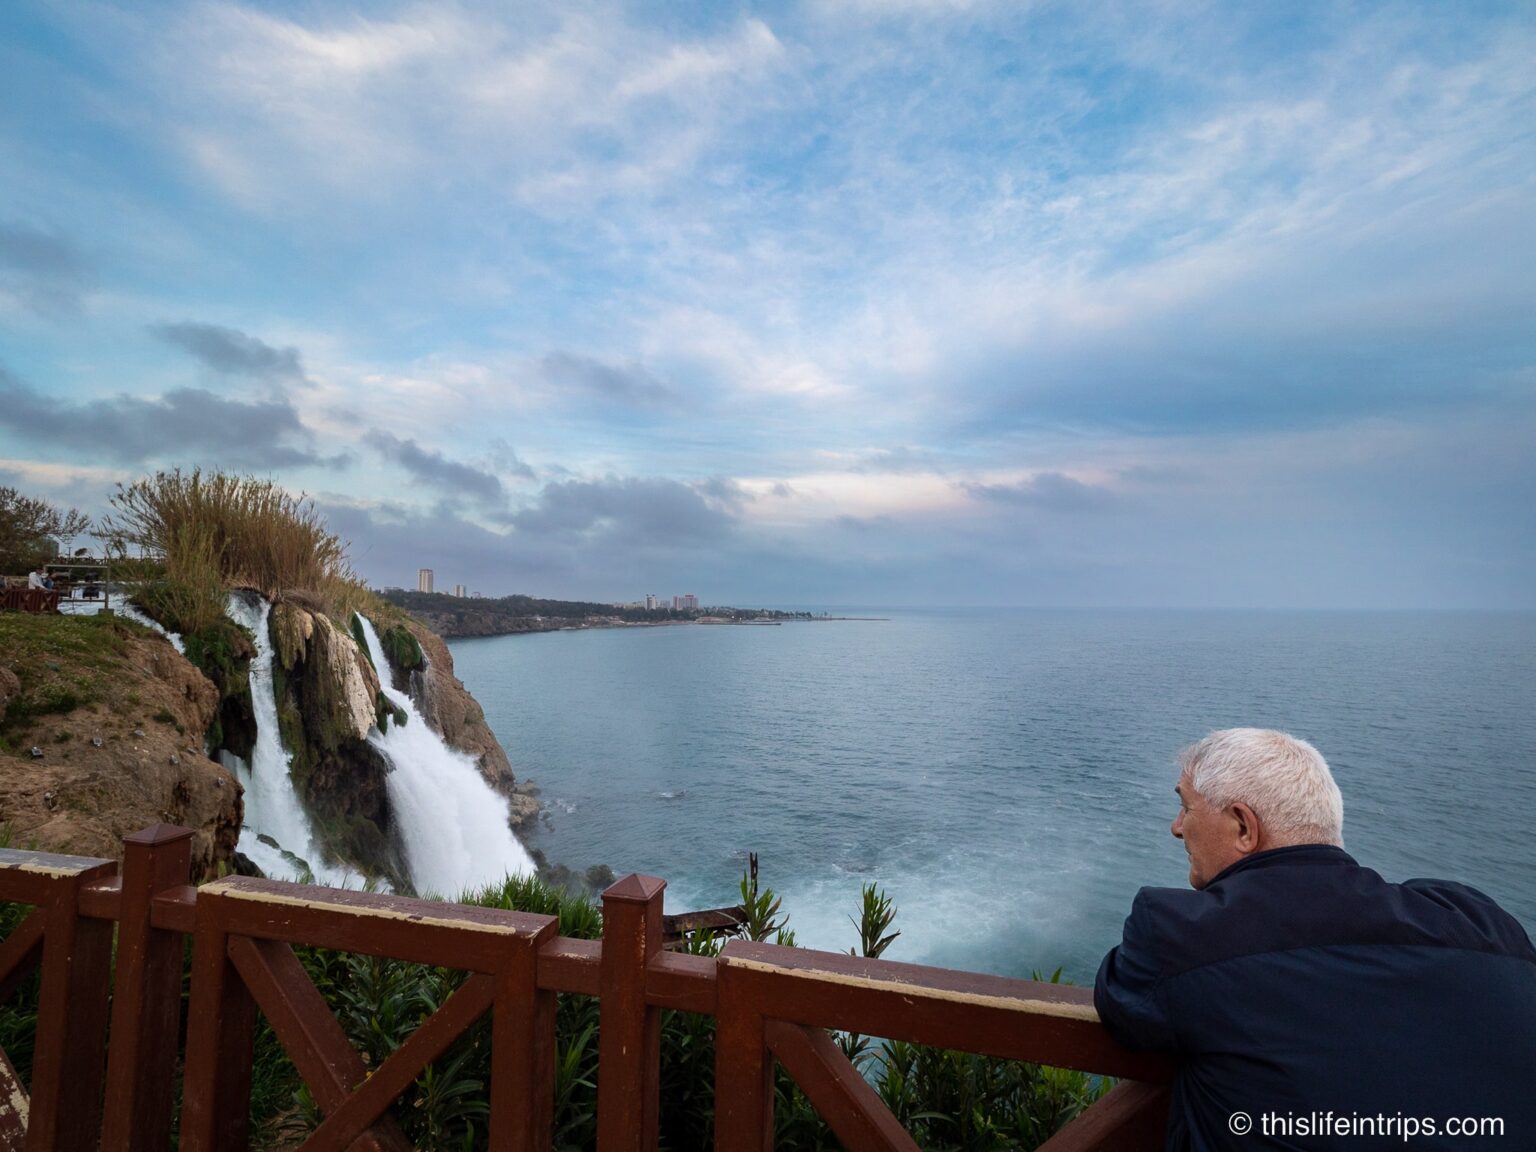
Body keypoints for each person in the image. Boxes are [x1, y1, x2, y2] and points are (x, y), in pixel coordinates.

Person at [1095, 728, 1536, 1150]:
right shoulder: (1481, 925)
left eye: (1186, 807)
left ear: (1244, 827)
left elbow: (1126, 1009)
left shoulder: (1178, 931)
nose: (1176, 827)